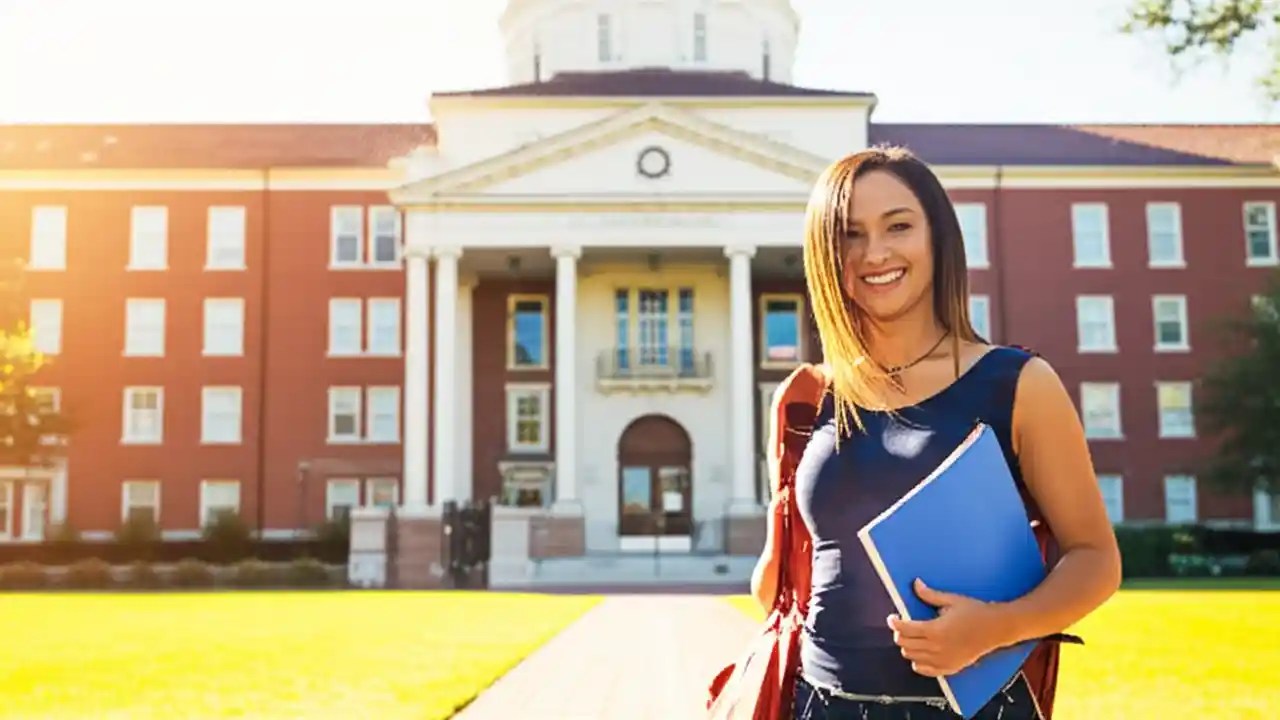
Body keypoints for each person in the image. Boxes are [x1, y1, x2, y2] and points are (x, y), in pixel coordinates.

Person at [749, 146, 1123, 720]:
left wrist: (998, 627)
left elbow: (1096, 559)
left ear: (937, 238)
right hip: (819, 704)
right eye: (849, 235)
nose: (875, 253)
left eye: (898, 226)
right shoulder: (803, 398)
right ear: (826, 256)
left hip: (975, 707)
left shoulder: (1019, 384)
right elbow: (773, 583)